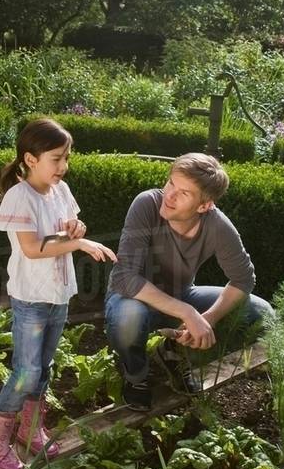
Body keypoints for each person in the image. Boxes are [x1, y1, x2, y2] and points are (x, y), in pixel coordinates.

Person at [0, 117, 117, 469]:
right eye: (56, 158)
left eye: (66, 158)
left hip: (59, 293)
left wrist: (78, 230)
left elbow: (72, 226)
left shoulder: (61, 191)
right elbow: (31, 248)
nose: (63, 166)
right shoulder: (19, 196)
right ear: (30, 159)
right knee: (26, 371)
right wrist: (79, 242)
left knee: (44, 367)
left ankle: (30, 430)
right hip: (30, 296)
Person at [104, 152, 273, 411]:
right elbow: (125, 277)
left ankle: (175, 351)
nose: (169, 195)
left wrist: (209, 318)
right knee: (128, 317)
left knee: (260, 312)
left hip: (181, 294)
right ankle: (135, 375)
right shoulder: (147, 204)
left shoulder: (217, 226)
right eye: (170, 183)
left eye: (183, 193)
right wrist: (188, 312)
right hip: (130, 298)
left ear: (204, 206)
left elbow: (243, 279)